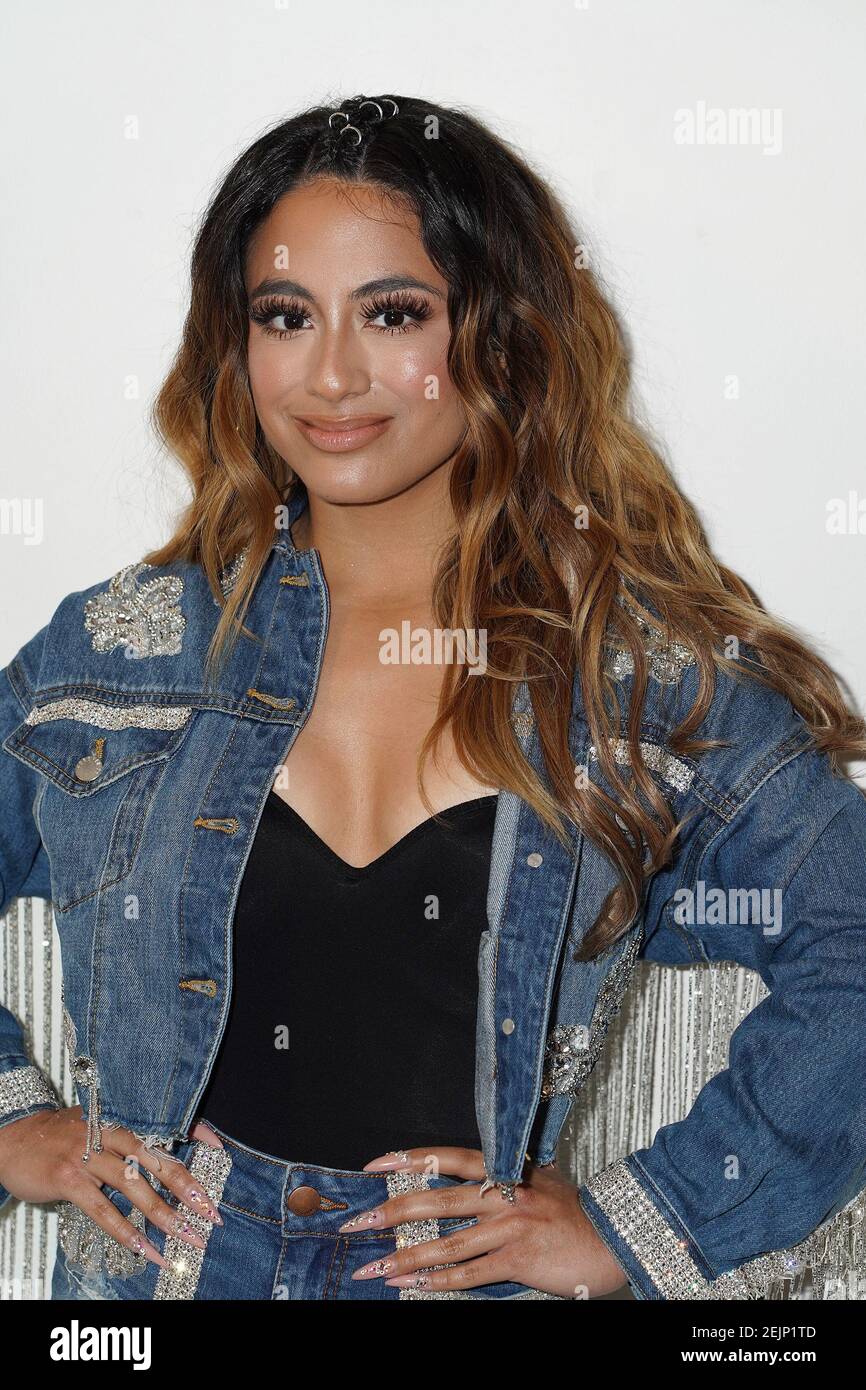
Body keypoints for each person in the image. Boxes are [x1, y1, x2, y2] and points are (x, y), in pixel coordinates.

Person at [1, 93, 865, 1302]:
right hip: (153, 1291)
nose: (333, 373)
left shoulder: (632, 678)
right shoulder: (118, 652)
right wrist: (13, 1126)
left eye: (393, 313)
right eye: (284, 316)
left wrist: (640, 1222)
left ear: (500, 335)